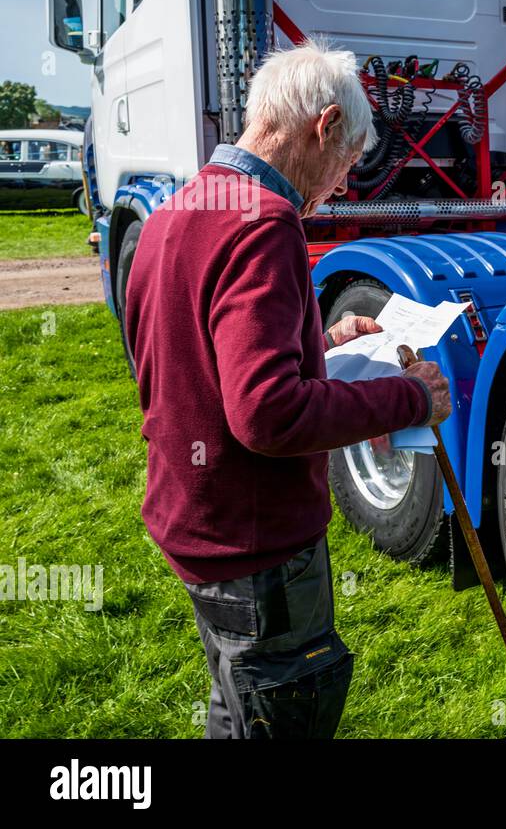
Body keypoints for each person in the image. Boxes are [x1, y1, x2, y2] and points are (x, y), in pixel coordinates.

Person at [124, 38, 451, 738]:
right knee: (281, 711)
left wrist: (321, 346)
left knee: (237, 701)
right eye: (344, 167)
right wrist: (411, 398)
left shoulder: (178, 208)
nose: (335, 188)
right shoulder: (264, 223)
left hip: (195, 521)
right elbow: (267, 415)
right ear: (324, 127)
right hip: (256, 543)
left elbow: (198, 362)